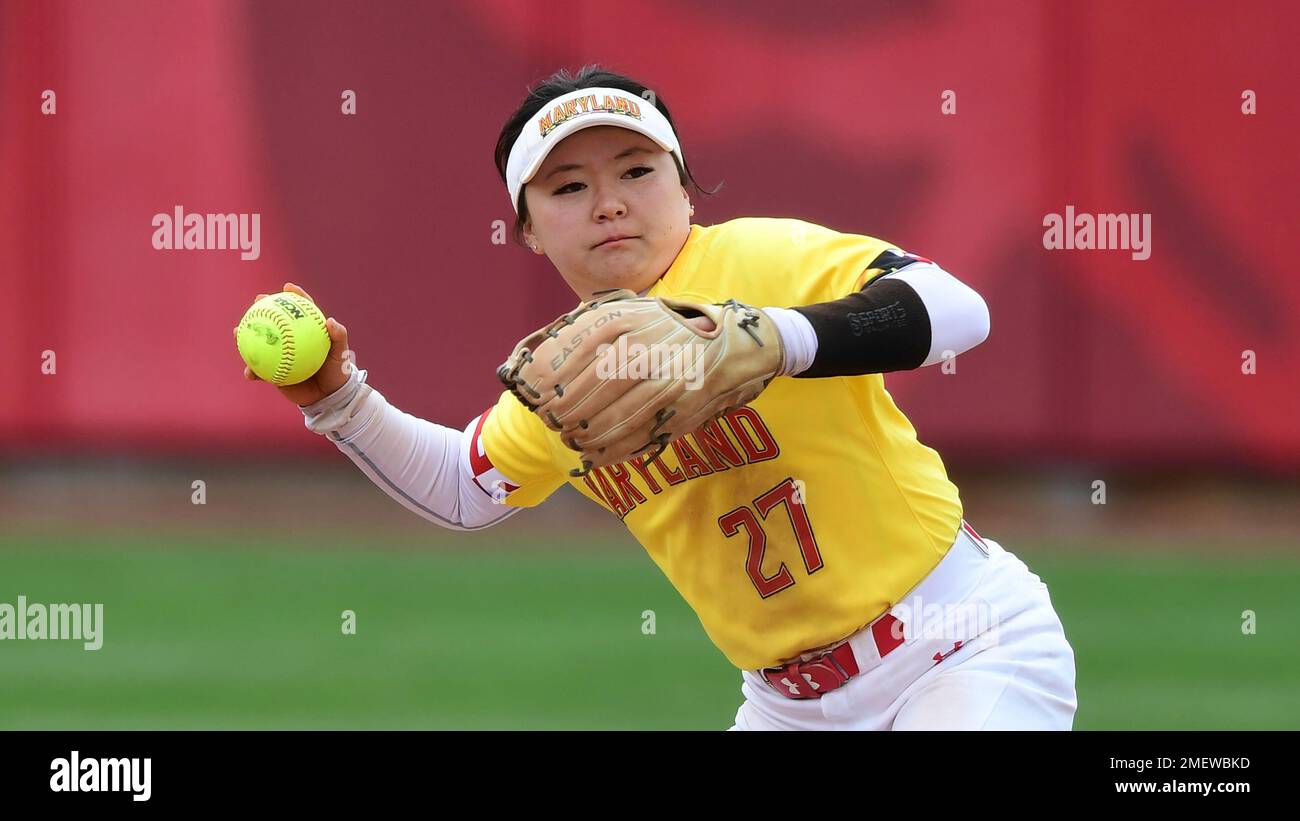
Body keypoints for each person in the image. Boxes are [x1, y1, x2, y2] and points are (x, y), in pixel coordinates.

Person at [238, 65, 1077, 730]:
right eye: (566, 188)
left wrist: (768, 337)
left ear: (684, 185)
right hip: (789, 708)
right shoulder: (571, 374)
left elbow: (961, 309)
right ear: (526, 227)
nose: (608, 202)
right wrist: (338, 397)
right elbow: (466, 485)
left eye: (637, 170)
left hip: (960, 646)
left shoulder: (758, 262)